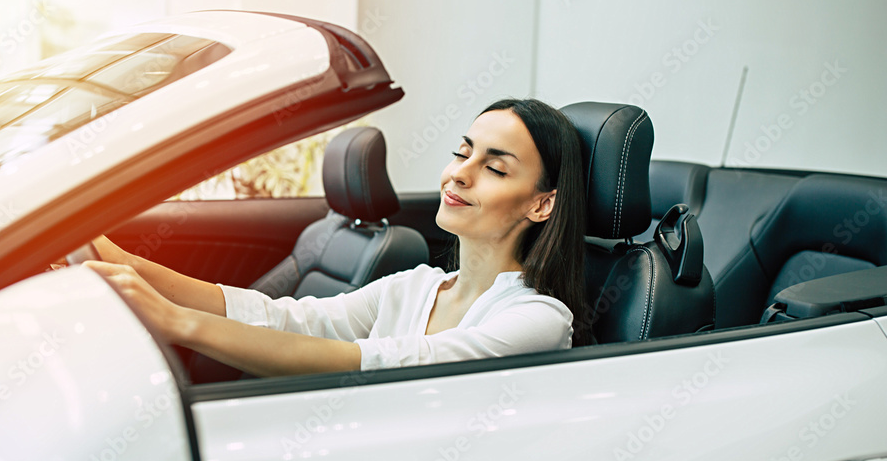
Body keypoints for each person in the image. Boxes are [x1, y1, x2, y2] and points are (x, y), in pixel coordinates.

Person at [85, 97, 590, 377]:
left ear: (541, 203)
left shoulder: (537, 321)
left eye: (494, 168)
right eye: (462, 153)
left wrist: (175, 322)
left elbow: (373, 363)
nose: (459, 174)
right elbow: (289, 319)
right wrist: (117, 258)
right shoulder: (414, 287)